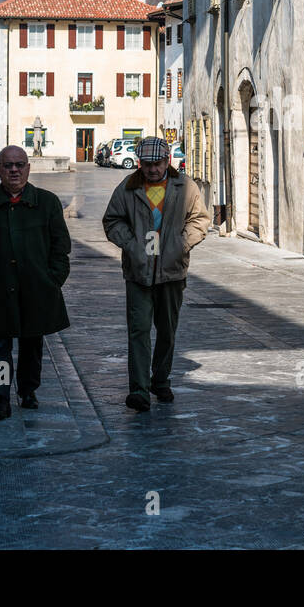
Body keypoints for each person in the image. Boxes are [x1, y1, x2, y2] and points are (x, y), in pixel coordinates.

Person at [102, 137, 211, 412]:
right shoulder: (128, 188)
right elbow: (112, 220)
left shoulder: (184, 186)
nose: (152, 170)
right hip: (138, 272)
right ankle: (138, 390)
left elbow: (199, 219)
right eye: (147, 164)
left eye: (157, 164)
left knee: (167, 331)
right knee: (138, 331)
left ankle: (160, 380)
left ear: (167, 162)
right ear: (140, 163)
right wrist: (130, 244)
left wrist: (183, 244)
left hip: (172, 271)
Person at [0, 145, 71, 421]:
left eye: (19, 164)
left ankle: (28, 391)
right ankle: (1, 398)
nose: (14, 170)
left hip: (37, 290)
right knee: (0, 347)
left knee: (32, 345)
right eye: (8, 165)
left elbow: (61, 247)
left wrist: (52, 280)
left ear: (28, 168)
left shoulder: (47, 203)